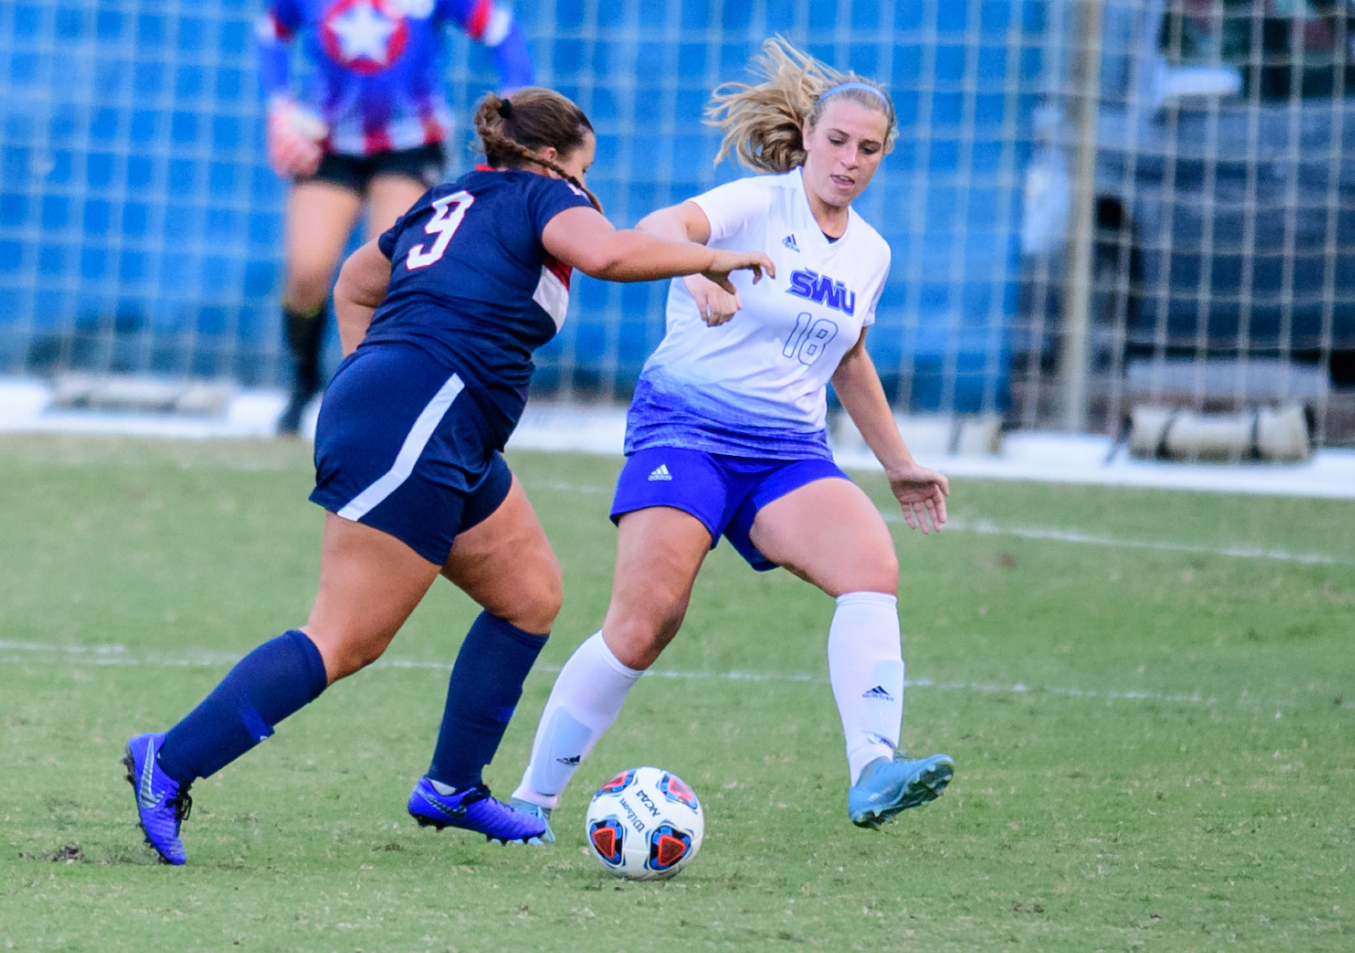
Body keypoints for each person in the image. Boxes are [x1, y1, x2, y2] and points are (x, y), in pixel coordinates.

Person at [123, 87, 776, 865]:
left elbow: (356, 285)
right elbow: (604, 254)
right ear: (546, 158)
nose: (586, 187)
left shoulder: (450, 196)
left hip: (433, 418)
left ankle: (452, 786)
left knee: (529, 597)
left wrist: (370, 375)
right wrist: (710, 257)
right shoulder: (539, 196)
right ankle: (168, 760)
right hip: (418, 415)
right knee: (345, 636)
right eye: (583, 169)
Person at [503, 39, 954, 840]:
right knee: (645, 622)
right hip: (686, 427)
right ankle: (531, 801)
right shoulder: (755, 204)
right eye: (838, 141)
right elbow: (655, 226)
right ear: (809, 136)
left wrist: (899, 464)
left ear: (885, 155)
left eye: (868, 148)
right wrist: (697, 269)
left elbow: (847, 356)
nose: (849, 160)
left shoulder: (870, 252)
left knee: (869, 565)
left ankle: (873, 764)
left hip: (788, 450)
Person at [257, 0, 536, 435]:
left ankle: (372, 401)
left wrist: (513, 108)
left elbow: (499, 27)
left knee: (386, 278)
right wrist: (280, 110)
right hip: (327, 146)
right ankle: (303, 381)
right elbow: (272, 31)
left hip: (410, 147)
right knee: (307, 274)